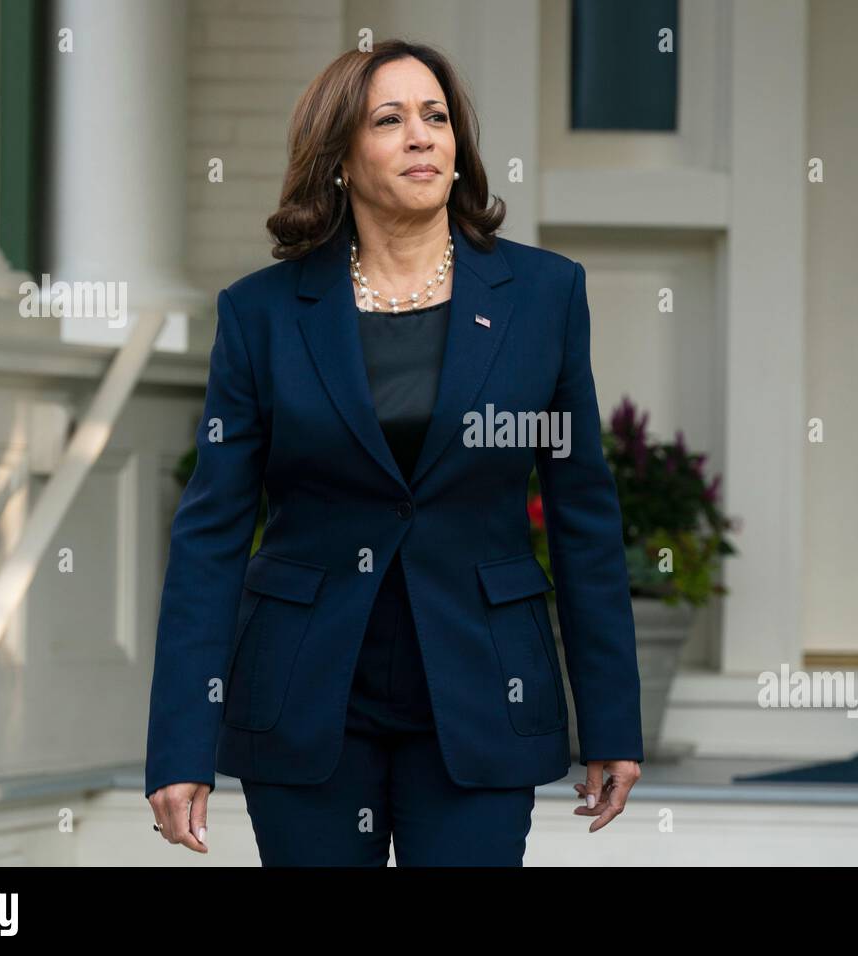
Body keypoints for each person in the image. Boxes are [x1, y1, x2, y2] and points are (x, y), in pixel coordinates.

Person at [146, 39, 644, 866]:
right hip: (308, 704)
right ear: (340, 157)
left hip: (483, 694)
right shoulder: (262, 314)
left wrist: (611, 720)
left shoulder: (545, 295)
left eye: (436, 117)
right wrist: (178, 744)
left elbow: (584, 516)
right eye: (390, 120)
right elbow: (211, 537)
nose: (422, 137)